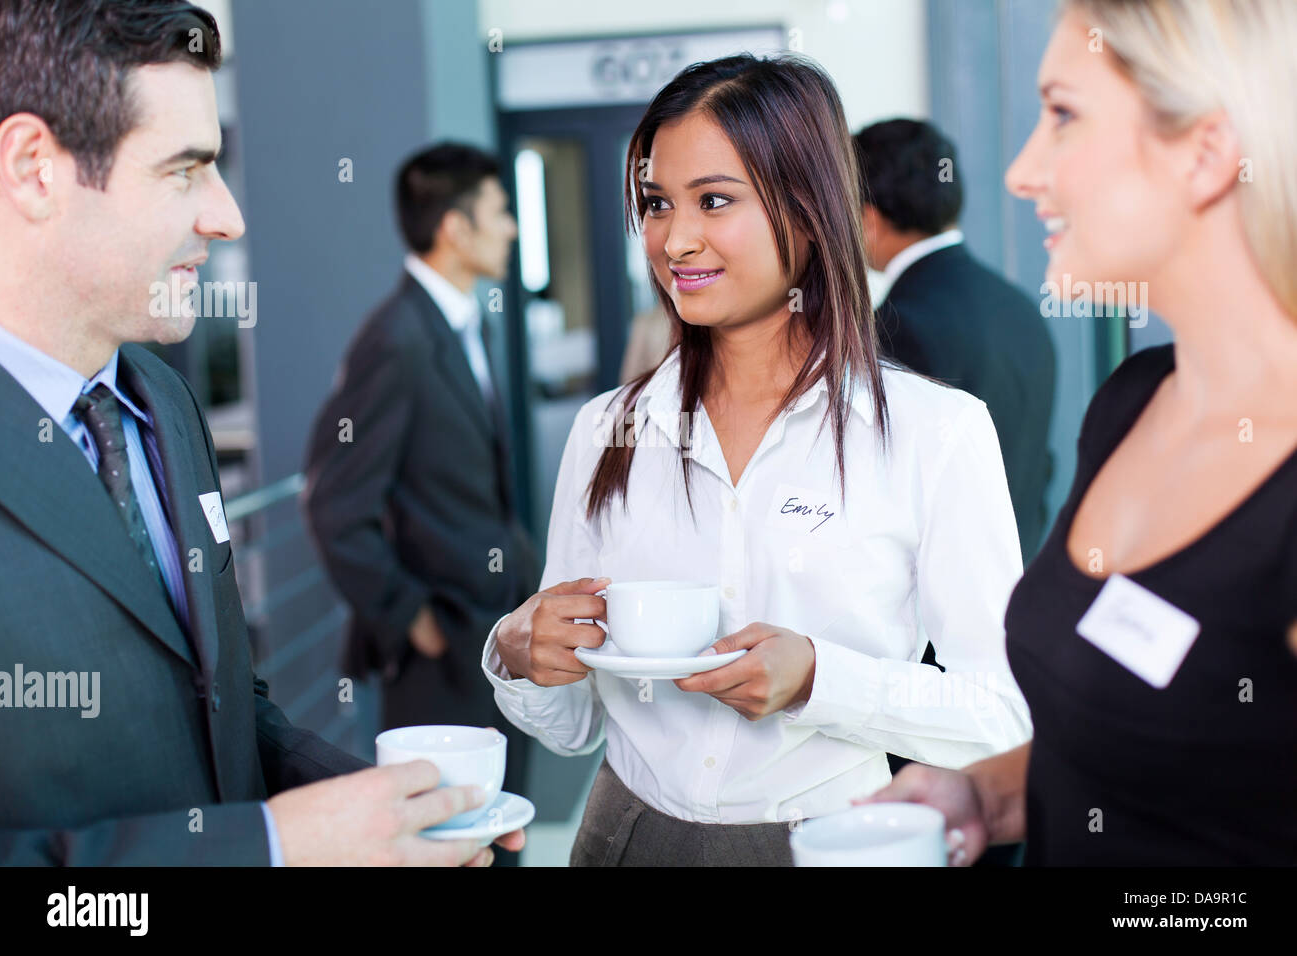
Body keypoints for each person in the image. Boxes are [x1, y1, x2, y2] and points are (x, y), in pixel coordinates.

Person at [0, 0, 521, 866]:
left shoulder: (162, 405)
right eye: (185, 170)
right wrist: (273, 845)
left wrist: (381, 809)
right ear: (34, 168)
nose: (228, 215)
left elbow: (228, 707)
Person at [481, 52, 1033, 866]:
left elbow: (1002, 713)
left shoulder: (934, 431)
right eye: (658, 203)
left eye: (714, 200)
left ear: (809, 214)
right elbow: (575, 729)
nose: (675, 238)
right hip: (624, 836)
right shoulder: (608, 432)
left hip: (832, 841)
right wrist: (522, 657)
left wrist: (818, 680)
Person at [865, 0, 1297, 866]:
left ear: (1206, 152)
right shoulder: (1131, 404)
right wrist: (986, 791)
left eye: (1063, 114)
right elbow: (1163, 763)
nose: (1023, 171)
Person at [302, 143, 540, 864]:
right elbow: (334, 503)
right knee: (449, 851)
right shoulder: (396, 341)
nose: (513, 230)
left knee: (499, 842)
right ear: (455, 229)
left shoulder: (464, 322)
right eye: (501, 214)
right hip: (442, 655)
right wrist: (413, 618)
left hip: (489, 634)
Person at [856, 118, 1057, 562]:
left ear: (868, 219)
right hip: (1017, 585)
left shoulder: (897, 323)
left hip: (940, 608)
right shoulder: (1019, 308)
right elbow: (1038, 468)